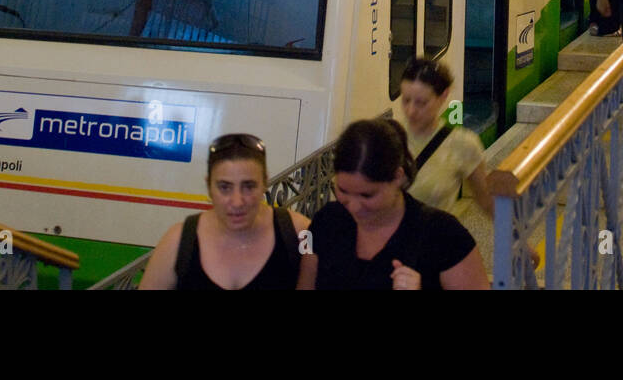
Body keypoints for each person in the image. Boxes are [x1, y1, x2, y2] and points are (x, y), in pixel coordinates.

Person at [298, 119, 489, 290]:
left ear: (398, 177)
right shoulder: (325, 222)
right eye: (343, 191)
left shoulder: (444, 235)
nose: (354, 207)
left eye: (367, 195)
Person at [140, 133, 308, 290]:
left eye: (249, 186)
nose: (237, 201)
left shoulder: (301, 233)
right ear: (209, 186)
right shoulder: (178, 242)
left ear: (264, 183)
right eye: (224, 187)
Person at [398, 59, 493, 215]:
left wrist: (516, 234)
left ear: (443, 96)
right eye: (406, 100)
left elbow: (487, 202)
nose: (411, 111)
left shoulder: (463, 144)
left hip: (436, 238)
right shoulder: (386, 138)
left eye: (421, 103)